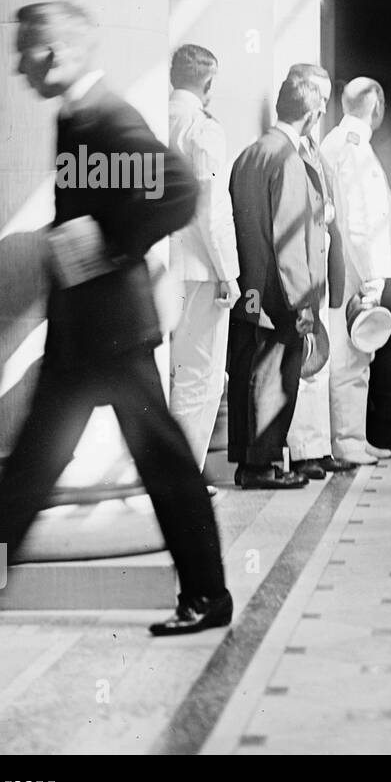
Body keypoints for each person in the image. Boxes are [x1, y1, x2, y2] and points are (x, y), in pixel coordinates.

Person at [0, 1, 232, 635]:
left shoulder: (105, 119)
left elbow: (180, 191)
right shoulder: (78, 116)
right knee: (32, 466)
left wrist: (111, 243)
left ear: (54, 54)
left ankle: (207, 596)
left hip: (110, 335)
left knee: (159, 465)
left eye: (24, 50)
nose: (17, 64)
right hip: (87, 335)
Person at [226, 72, 329, 490]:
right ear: (313, 114)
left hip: (249, 288)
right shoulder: (287, 159)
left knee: (250, 375)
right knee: (274, 380)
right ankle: (262, 466)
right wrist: (302, 303)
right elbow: (288, 236)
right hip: (277, 293)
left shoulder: (250, 153)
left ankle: (252, 463)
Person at [167, 44, 240, 477]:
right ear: (209, 84)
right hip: (200, 268)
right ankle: (183, 478)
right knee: (201, 377)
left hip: (165, 263)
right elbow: (211, 210)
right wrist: (228, 273)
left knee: (171, 372)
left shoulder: (158, 117)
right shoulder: (204, 130)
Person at [320, 77, 391, 465]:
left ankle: (355, 434)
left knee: (359, 356)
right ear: (378, 105)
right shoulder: (352, 149)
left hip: (346, 266)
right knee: (352, 356)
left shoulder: (342, 143)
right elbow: (360, 221)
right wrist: (371, 278)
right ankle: (348, 440)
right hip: (354, 269)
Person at [283, 63, 354, 480]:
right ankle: (304, 449)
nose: (323, 109)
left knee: (321, 358)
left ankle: (319, 445)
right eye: (320, 99)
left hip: (322, 260)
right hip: (305, 262)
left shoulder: (313, 147)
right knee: (307, 358)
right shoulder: (290, 149)